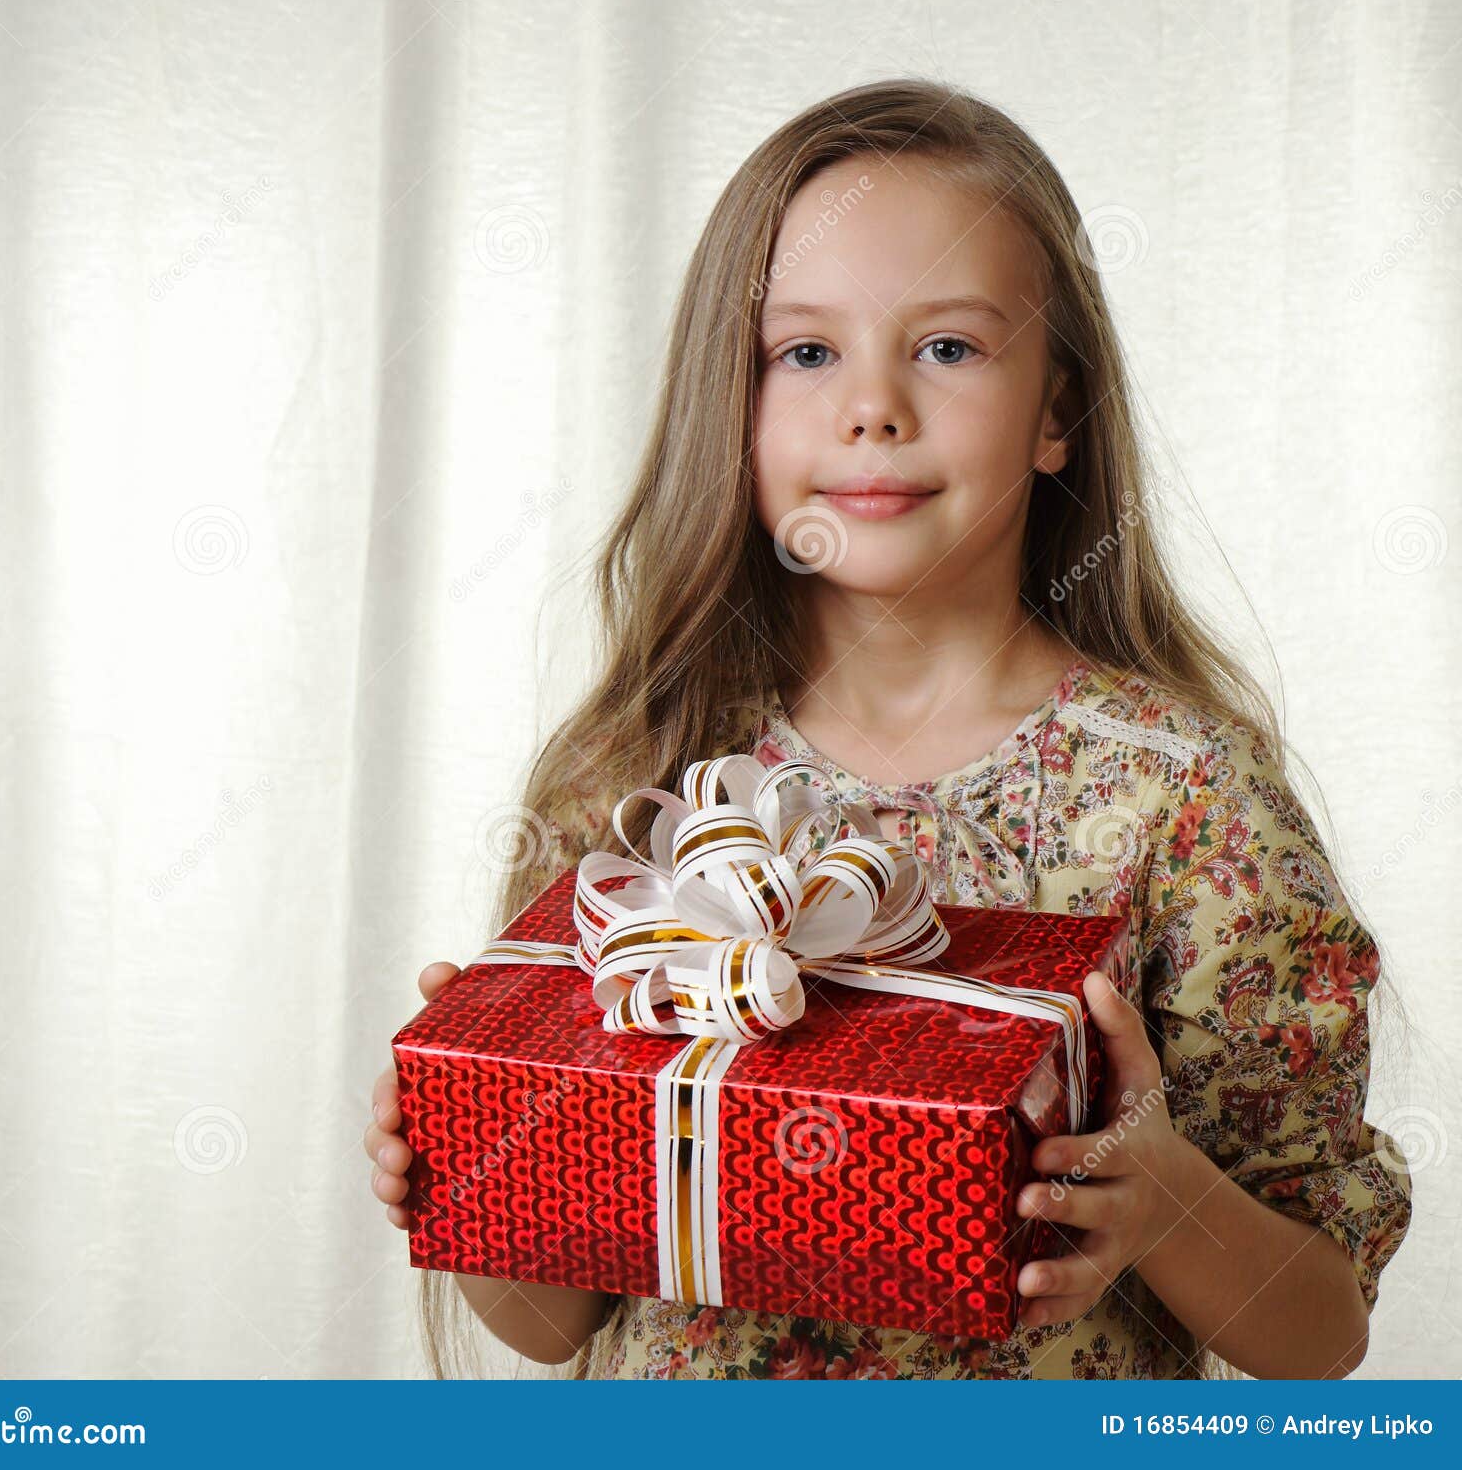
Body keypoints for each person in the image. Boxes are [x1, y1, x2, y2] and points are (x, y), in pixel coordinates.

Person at [364, 77, 1413, 1380]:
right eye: (806, 352)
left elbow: (1320, 1335)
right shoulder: (635, 780)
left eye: (949, 348)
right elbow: (548, 1323)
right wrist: (473, 1159)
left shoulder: (1187, 804)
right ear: (731, 407)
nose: (875, 407)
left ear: (1056, 414)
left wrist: (1162, 1198)